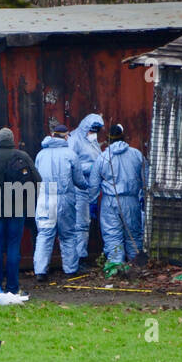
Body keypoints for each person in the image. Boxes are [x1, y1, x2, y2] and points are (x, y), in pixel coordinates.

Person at [0, 127, 40, 296]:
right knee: (14, 247)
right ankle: (13, 288)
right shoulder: (22, 156)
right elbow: (37, 179)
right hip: (17, 209)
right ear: (12, 139)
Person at [31, 124, 87, 283]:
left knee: (44, 235)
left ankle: (40, 271)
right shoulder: (70, 154)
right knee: (68, 235)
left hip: (45, 199)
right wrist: (86, 186)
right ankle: (70, 269)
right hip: (65, 199)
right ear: (66, 136)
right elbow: (79, 180)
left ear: (52, 135)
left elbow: (36, 177)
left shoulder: (41, 155)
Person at [89, 123, 148, 265]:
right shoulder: (136, 154)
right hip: (132, 200)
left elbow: (94, 183)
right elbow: (146, 177)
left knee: (112, 235)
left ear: (108, 139)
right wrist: (144, 197)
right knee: (134, 234)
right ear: (124, 137)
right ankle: (136, 266)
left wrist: (93, 202)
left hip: (110, 201)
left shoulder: (103, 157)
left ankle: (116, 267)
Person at [68, 113, 104, 268]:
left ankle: (80, 256)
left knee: (85, 223)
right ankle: (78, 258)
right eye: (91, 131)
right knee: (80, 224)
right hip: (79, 189)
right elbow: (71, 163)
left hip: (90, 189)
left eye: (96, 131)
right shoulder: (74, 140)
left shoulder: (92, 142)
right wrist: (92, 168)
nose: (93, 134)